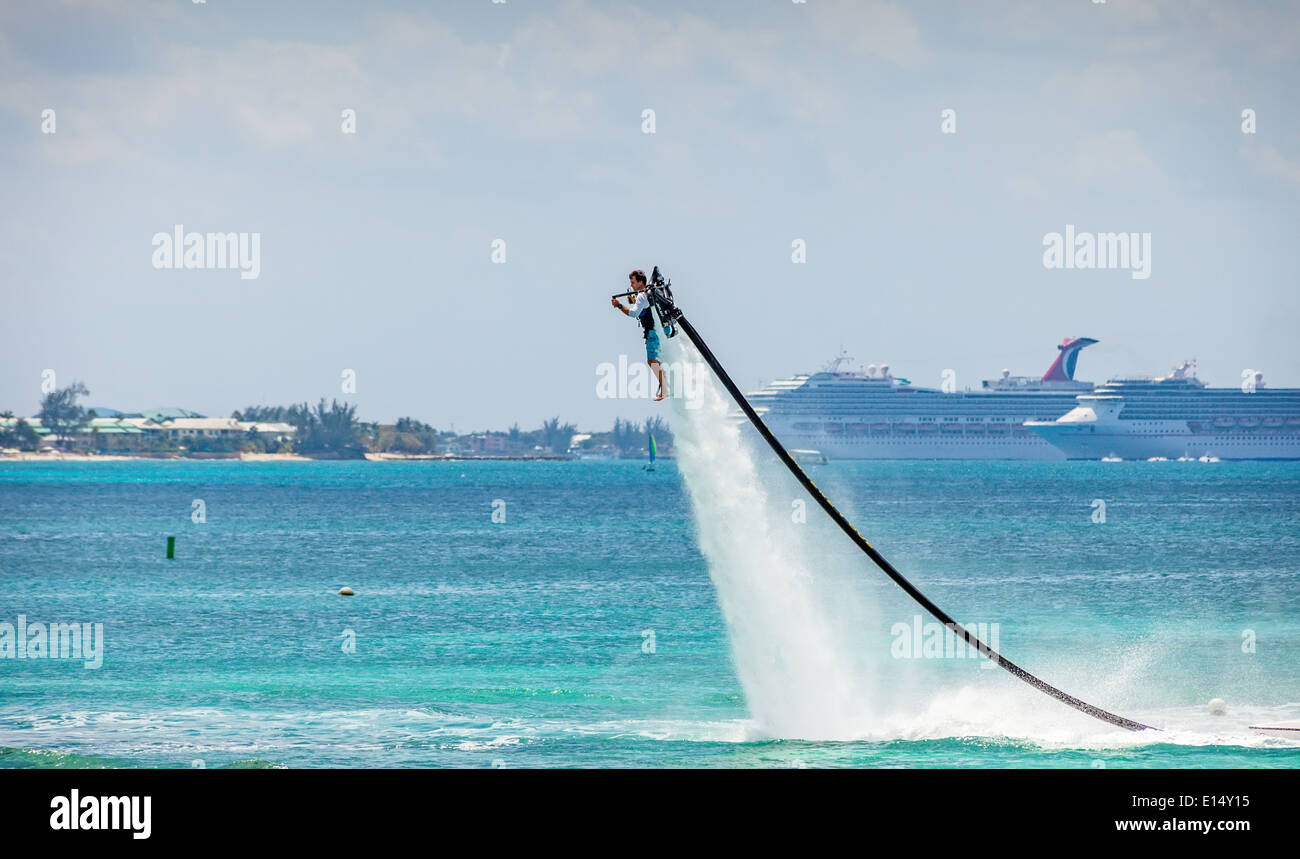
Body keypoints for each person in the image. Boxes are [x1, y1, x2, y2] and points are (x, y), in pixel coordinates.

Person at [611, 269, 668, 401]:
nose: (631, 285)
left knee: (652, 361)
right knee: (656, 361)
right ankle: (664, 383)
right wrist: (633, 301)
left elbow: (633, 314)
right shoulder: (647, 294)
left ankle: (665, 389)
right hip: (659, 331)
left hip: (652, 333)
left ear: (640, 282)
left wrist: (619, 305)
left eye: (633, 282)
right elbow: (643, 310)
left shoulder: (642, 296)